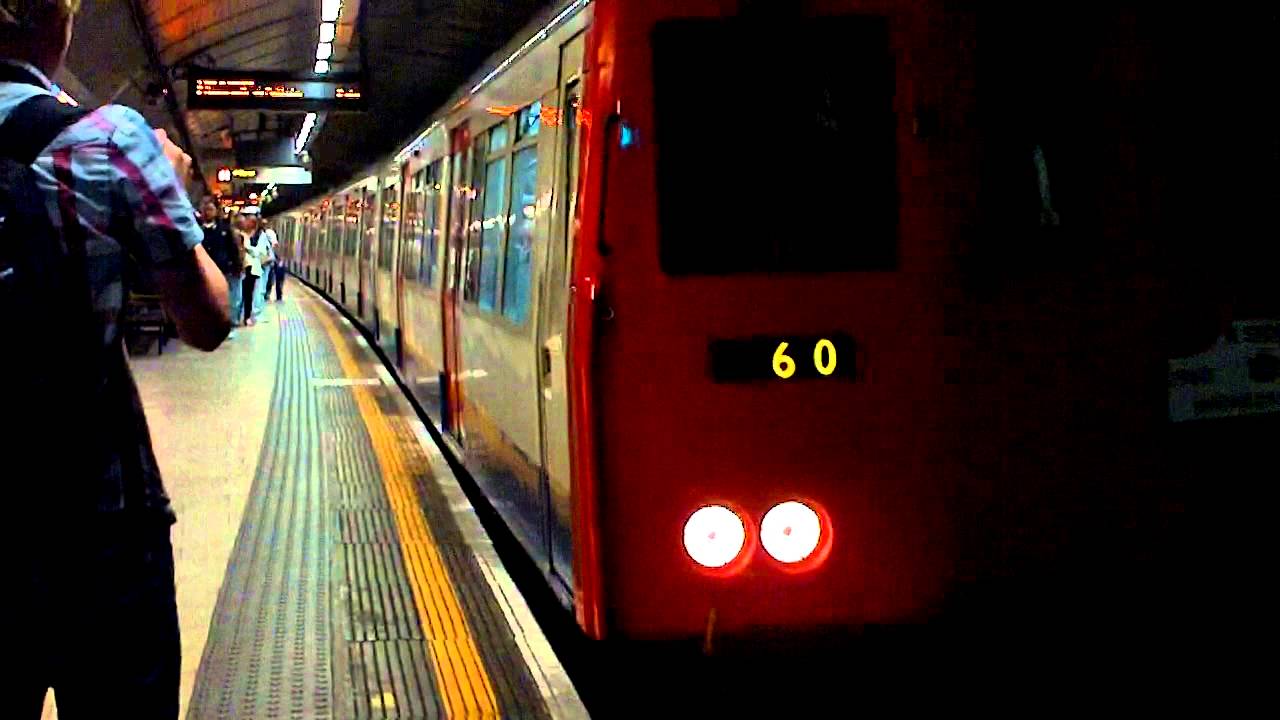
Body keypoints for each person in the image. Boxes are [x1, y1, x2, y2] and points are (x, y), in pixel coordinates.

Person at [1, 1, 229, 717]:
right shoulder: (108, 139)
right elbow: (207, 319)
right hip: (93, 518)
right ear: (51, 22)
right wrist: (175, 191)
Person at [199, 196, 241, 338]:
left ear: (216, 211)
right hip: (204, 271)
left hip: (224, 270)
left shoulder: (225, 229)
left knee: (226, 300)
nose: (207, 213)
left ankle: (227, 327)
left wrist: (236, 266)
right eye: (205, 210)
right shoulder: (195, 230)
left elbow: (233, 248)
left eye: (210, 209)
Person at [239, 207, 271, 327]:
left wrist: (249, 249)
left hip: (252, 268)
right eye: (246, 218)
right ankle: (238, 316)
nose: (247, 221)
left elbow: (262, 252)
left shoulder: (261, 236)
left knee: (249, 293)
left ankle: (247, 316)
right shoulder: (239, 234)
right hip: (239, 267)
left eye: (250, 219)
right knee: (239, 294)